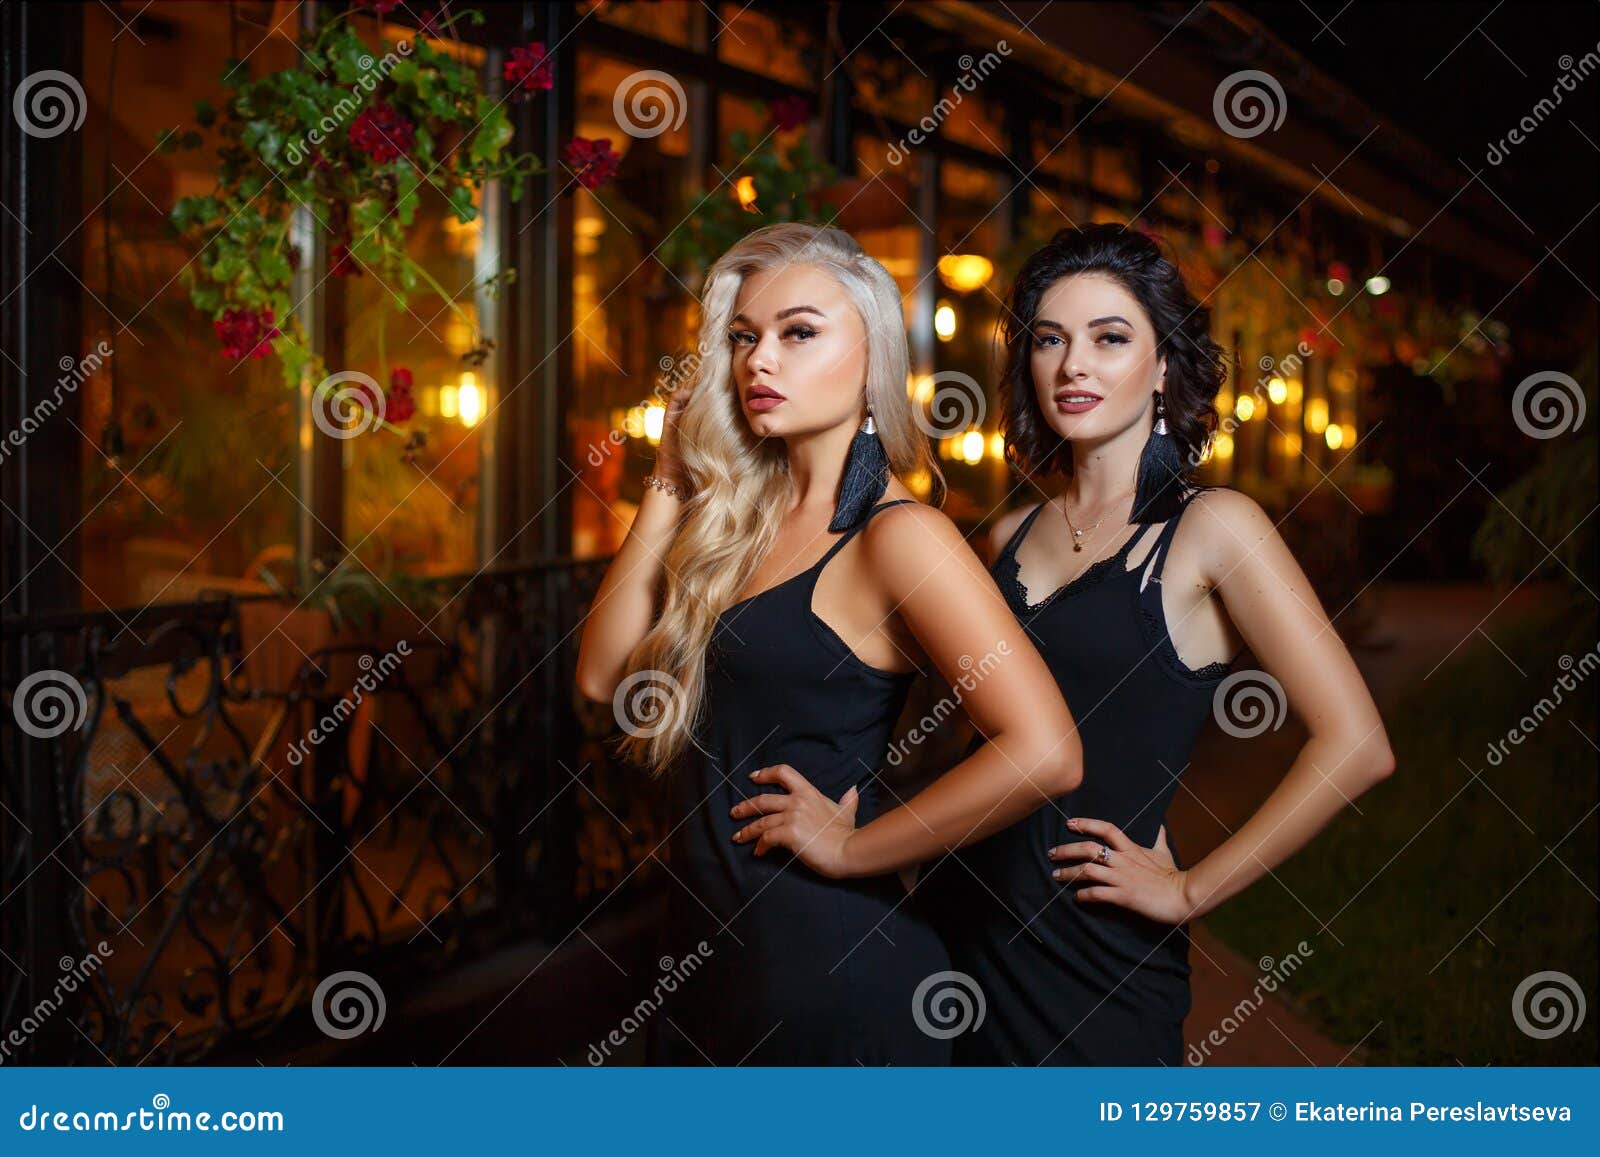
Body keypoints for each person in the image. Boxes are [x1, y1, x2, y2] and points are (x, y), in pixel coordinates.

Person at [575, 223, 1083, 1065]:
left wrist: (854, 848)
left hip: (827, 972)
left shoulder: (900, 536)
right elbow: (600, 675)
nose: (758, 360)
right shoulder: (735, 525)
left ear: (874, 358)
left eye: (799, 332)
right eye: (744, 337)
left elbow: (1047, 751)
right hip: (703, 956)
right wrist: (667, 479)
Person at [919, 223, 1396, 1065]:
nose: (1074, 365)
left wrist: (1190, 888)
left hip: (1099, 959)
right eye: (1051, 339)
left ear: (1165, 365)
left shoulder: (1215, 529)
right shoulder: (1007, 534)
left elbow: (1358, 746)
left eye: (1111, 338)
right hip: (966, 928)